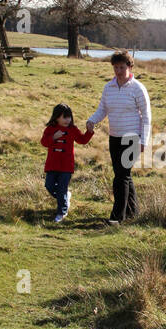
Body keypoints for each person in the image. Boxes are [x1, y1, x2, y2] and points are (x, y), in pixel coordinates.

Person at [87, 51, 152, 225]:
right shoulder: (108, 87)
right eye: (115, 67)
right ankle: (132, 212)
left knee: (120, 177)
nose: (118, 71)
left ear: (129, 67)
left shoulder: (138, 88)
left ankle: (117, 217)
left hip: (132, 138)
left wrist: (144, 140)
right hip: (114, 137)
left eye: (122, 67)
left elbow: (146, 116)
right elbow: (103, 109)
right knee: (124, 175)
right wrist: (92, 120)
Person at [40, 104, 93, 223]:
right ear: (56, 117)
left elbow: (82, 140)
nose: (67, 120)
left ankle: (62, 212)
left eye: (69, 117)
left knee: (62, 188)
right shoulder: (50, 129)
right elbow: (43, 142)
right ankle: (65, 197)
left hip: (66, 166)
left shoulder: (72, 129)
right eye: (64, 117)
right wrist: (53, 137)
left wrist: (89, 132)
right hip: (52, 165)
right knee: (49, 186)